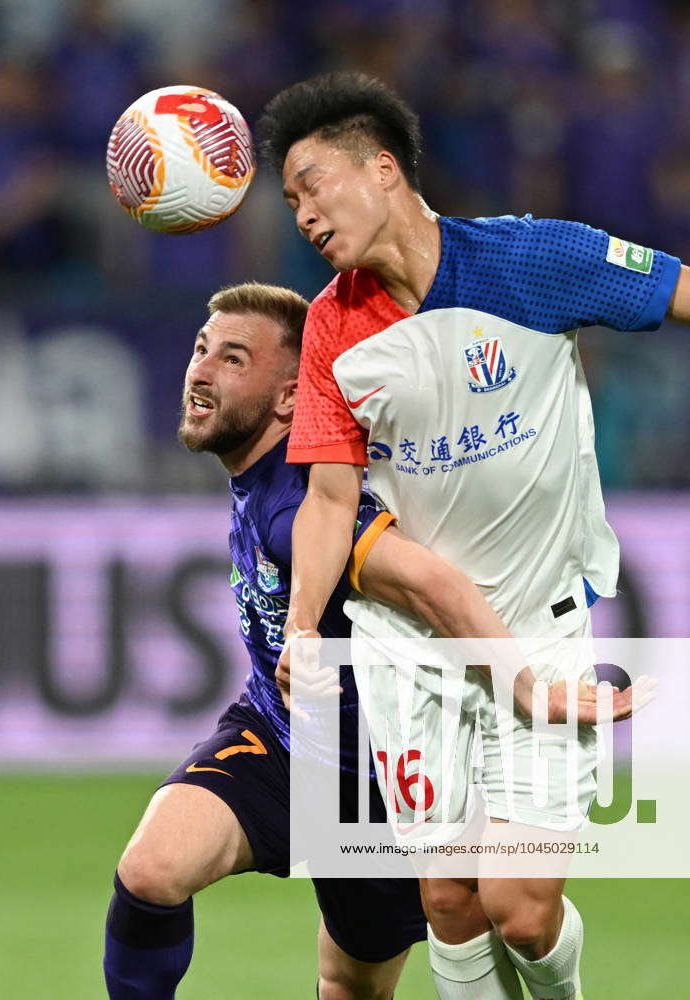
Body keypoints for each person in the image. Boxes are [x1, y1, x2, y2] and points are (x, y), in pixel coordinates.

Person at [257, 71, 686, 1000]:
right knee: (450, 902)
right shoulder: (333, 327)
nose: (301, 215)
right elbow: (331, 500)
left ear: (381, 169)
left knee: (521, 909)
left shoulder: (533, 261)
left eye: (310, 184)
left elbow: (681, 290)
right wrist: (299, 628)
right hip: (410, 650)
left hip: (538, 626)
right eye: (288, 201)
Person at [105, 281, 583, 1000]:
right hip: (281, 734)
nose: (200, 370)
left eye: (233, 359)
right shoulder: (262, 479)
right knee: (151, 871)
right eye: (202, 349)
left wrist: (526, 690)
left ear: (292, 399)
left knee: (351, 983)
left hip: (376, 781)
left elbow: (435, 585)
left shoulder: (301, 499)